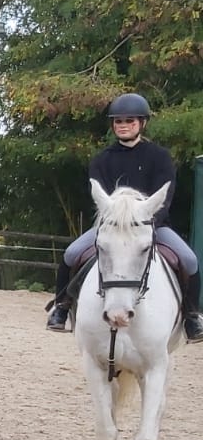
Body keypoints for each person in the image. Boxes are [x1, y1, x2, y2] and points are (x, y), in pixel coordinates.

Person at [46, 92, 203, 342]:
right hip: (112, 227)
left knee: (189, 260)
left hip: (151, 225)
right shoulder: (101, 161)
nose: (124, 125)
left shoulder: (159, 157)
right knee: (71, 254)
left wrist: (147, 223)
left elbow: (166, 195)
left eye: (130, 121)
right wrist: (115, 223)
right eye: (118, 121)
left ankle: (192, 316)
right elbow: (102, 199)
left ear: (142, 123)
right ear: (113, 125)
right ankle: (61, 307)